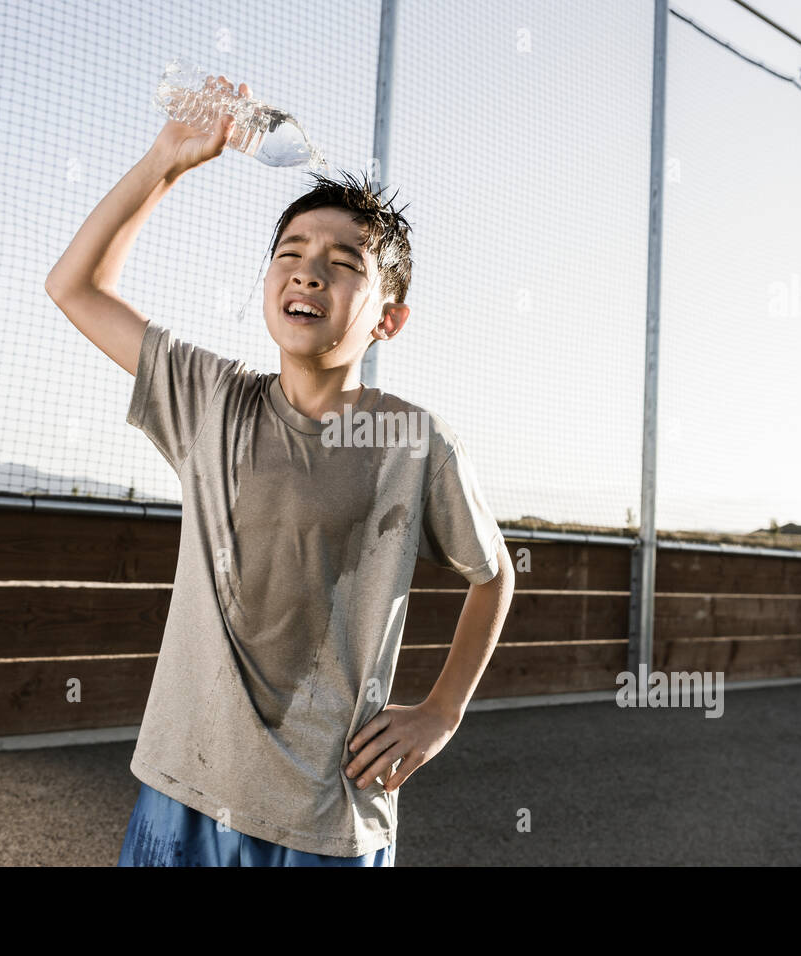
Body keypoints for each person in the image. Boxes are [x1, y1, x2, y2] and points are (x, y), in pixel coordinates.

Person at [45, 75, 514, 866]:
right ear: (268, 282)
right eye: (291, 255)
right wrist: (168, 159)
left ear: (388, 317)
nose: (309, 273)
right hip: (181, 792)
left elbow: (493, 575)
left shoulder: (413, 441)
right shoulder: (210, 399)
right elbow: (75, 286)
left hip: (323, 817)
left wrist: (441, 713)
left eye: (343, 264)